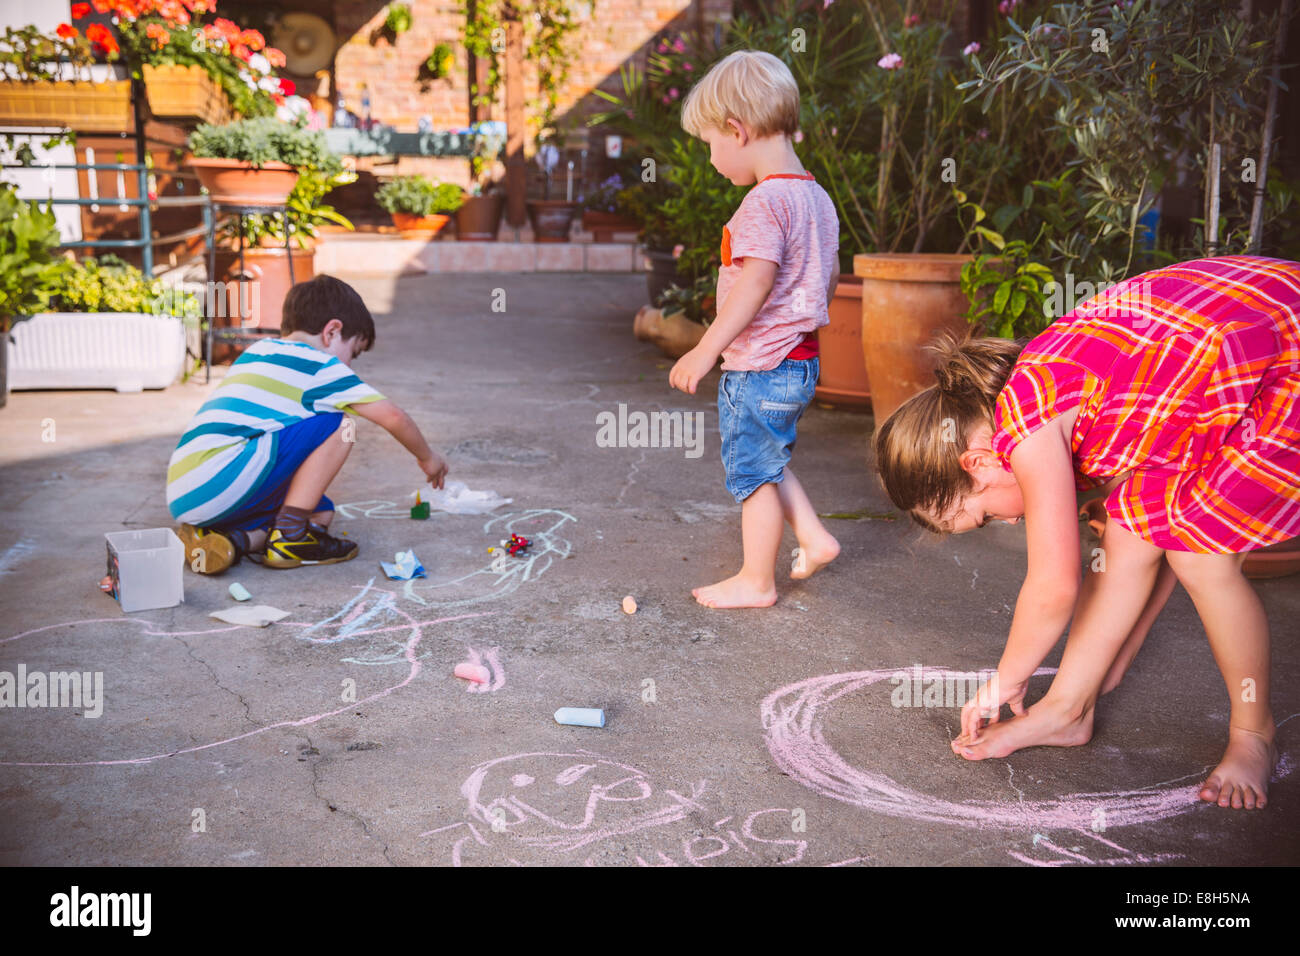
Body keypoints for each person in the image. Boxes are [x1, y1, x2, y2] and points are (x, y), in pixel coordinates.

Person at [874, 255, 1300, 810]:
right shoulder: (1037, 392)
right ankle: (1068, 709)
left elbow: (1055, 587)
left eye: (983, 516)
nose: (1008, 521)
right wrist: (1115, 655)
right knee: (1126, 523)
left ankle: (1253, 734)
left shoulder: (1025, 432)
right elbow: (1158, 524)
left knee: (1203, 562)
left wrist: (1007, 679)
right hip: (1251, 318)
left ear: (977, 461)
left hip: (1279, 356)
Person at [668, 50, 842, 608]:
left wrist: (703, 349)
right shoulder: (816, 197)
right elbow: (830, 277)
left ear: (736, 130)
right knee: (768, 457)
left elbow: (753, 286)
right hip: (801, 359)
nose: (712, 159)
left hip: (760, 365)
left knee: (752, 474)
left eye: (710, 145)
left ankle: (756, 580)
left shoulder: (764, 203)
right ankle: (814, 537)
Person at [167, 274, 448, 572]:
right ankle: (288, 536)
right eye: (352, 352)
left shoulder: (257, 351)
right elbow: (393, 417)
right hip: (224, 479)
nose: (349, 365)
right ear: (332, 331)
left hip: (188, 493)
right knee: (341, 425)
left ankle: (233, 541)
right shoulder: (321, 366)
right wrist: (428, 458)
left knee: (320, 512)